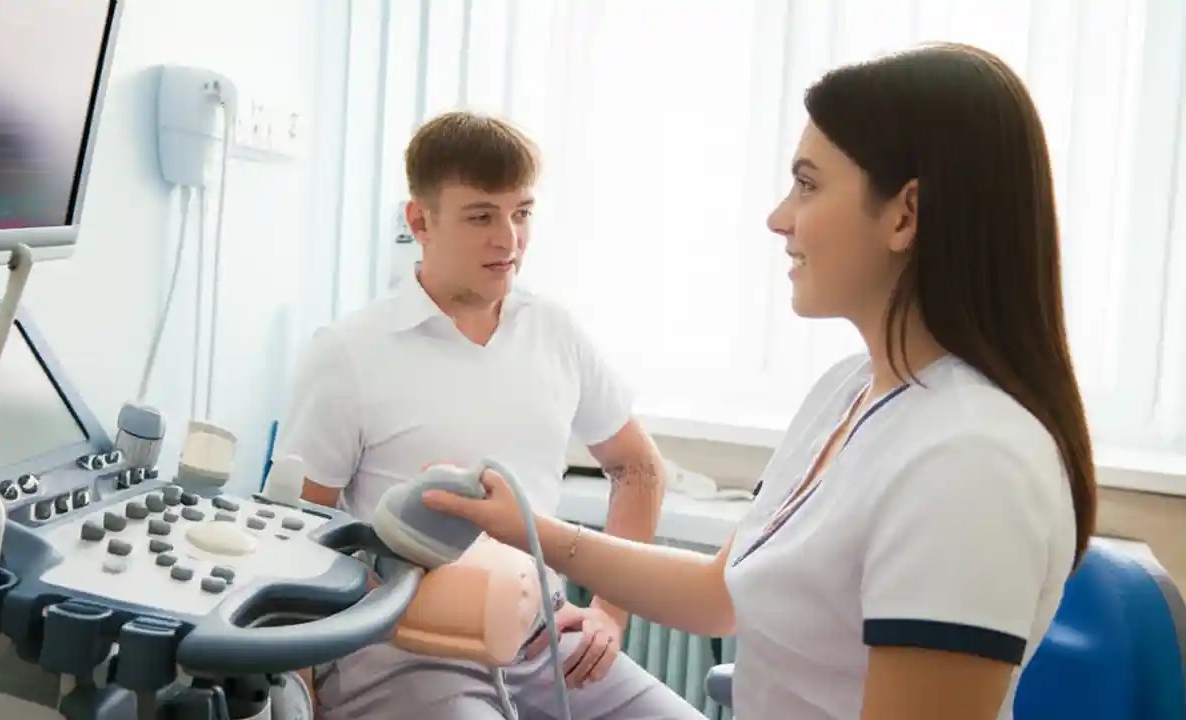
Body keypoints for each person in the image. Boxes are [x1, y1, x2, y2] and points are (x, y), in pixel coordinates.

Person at [424, 42, 1097, 720]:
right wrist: (528, 528)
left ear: (905, 214)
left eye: (807, 184)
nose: (780, 218)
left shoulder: (971, 462)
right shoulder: (851, 391)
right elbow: (723, 592)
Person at [275, 111, 704, 719]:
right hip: (404, 653)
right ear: (420, 222)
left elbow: (639, 469)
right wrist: (300, 690)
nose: (509, 239)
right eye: (481, 216)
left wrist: (609, 611)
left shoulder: (554, 332)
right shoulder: (350, 351)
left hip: (545, 638)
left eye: (522, 213)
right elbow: (295, 532)